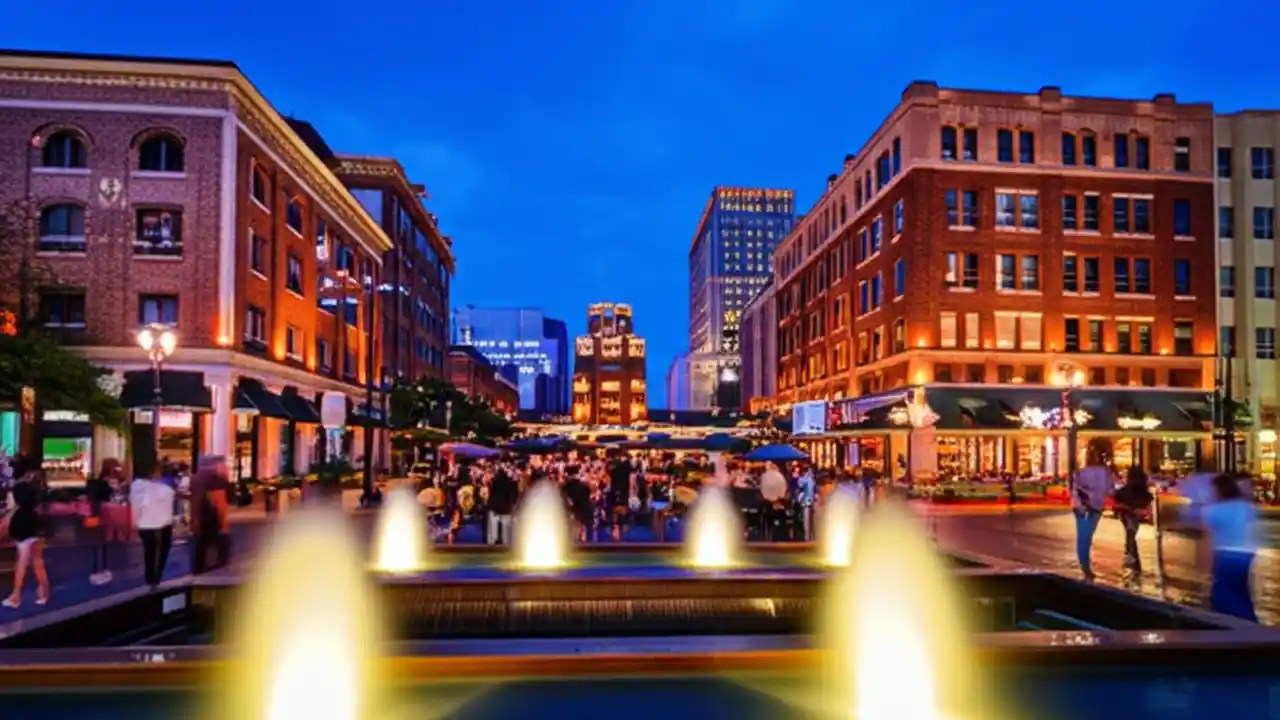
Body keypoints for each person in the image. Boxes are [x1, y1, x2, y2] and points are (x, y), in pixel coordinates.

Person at [1202, 474, 1259, 621]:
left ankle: (1229, 628)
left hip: (1224, 553)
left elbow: (1208, 539)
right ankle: (1251, 626)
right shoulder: (1246, 507)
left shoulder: (1212, 510)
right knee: (1241, 591)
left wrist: (1207, 565)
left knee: (1222, 594)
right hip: (1245, 554)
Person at [3, 468, 49, 608]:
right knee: (38, 562)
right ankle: (44, 593)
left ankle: (16, 597)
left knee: (21, 564)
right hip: (37, 530)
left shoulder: (19, 494)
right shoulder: (39, 494)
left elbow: (10, 514)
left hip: (24, 531)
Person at [1072, 440, 1114, 582]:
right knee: (1088, 537)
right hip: (1096, 507)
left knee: (1083, 538)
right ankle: (1086, 568)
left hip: (1081, 507)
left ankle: (1085, 567)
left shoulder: (1081, 472)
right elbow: (1111, 490)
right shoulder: (1106, 473)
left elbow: (1074, 490)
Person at [131, 468, 177, 589]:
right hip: (161, 524)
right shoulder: (165, 489)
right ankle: (154, 579)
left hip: (149, 524)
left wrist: (136, 522)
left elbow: (138, 506)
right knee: (159, 552)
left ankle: (152, 579)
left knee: (151, 552)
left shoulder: (140, 488)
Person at [1114, 466, 1154, 589]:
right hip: (1134, 516)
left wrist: (1126, 508)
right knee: (1131, 535)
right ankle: (1133, 561)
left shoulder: (1125, 490)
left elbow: (1117, 500)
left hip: (1127, 515)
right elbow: (1148, 503)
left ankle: (1132, 561)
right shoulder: (1143, 491)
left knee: (1130, 536)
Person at [191, 454, 230, 574]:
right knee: (221, 546)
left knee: (201, 548)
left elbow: (195, 502)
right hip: (212, 520)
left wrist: (194, 521)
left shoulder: (198, 480)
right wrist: (223, 524)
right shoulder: (216, 481)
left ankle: (199, 570)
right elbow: (220, 504)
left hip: (201, 520)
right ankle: (216, 568)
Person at [487, 463, 519, 545]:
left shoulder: (494, 482)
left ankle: (492, 543)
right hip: (506, 508)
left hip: (494, 508)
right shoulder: (510, 483)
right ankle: (506, 544)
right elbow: (512, 496)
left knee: (493, 530)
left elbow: (491, 494)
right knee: (506, 530)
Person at [796, 465, 817, 541]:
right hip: (813, 501)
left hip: (806, 502)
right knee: (812, 521)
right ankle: (812, 538)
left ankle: (807, 538)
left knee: (806, 521)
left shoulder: (805, 478)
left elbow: (799, 484)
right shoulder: (812, 478)